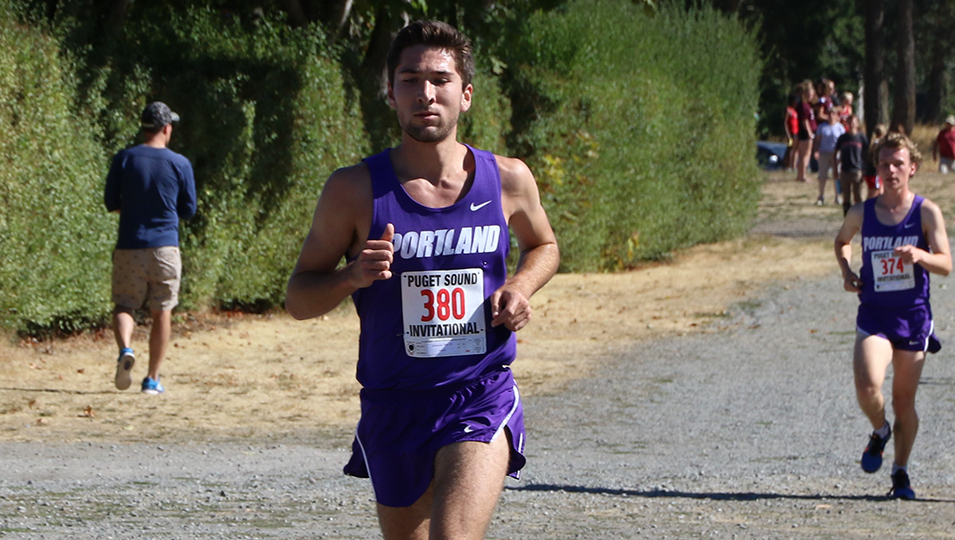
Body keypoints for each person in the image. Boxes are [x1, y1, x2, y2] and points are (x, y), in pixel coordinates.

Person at [285, 20, 559, 539]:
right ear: (391, 93)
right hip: (393, 402)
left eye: (440, 79)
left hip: (480, 393)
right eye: (410, 80)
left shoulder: (507, 178)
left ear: (466, 94)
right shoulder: (353, 190)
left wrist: (521, 287)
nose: (425, 93)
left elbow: (544, 245)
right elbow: (298, 298)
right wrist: (351, 276)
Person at [834, 132, 952, 500]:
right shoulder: (862, 211)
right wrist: (846, 270)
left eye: (898, 163)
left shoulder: (926, 211)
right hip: (874, 314)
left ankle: (900, 471)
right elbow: (842, 241)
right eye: (884, 163)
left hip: (913, 318)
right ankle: (880, 430)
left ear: (912, 168)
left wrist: (920, 256)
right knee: (868, 385)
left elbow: (946, 263)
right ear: (877, 169)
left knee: (905, 402)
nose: (890, 170)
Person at [104, 102, 197, 395]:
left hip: (130, 244)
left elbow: (110, 202)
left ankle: (126, 350)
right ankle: (152, 379)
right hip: (165, 247)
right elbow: (189, 209)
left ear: (144, 127)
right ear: (167, 128)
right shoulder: (179, 163)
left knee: (124, 304)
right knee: (163, 311)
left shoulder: (124, 159)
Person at [835, 116, 868, 215]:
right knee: (846, 196)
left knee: (858, 196)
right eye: (849, 122)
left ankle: (861, 217)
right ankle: (847, 217)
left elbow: (866, 155)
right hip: (845, 170)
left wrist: (864, 170)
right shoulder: (842, 138)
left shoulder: (861, 137)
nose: (851, 124)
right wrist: (836, 169)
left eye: (853, 122)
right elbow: (835, 153)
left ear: (857, 123)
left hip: (857, 170)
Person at [812, 111, 845, 205]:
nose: (831, 116)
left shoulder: (840, 127)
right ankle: (821, 196)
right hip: (824, 153)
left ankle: (837, 197)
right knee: (822, 176)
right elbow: (817, 140)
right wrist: (816, 151)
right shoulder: (822, 127)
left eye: (833, 114)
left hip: (836, 154)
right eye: (829, 114)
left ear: (836, 116)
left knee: (837, 176)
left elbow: (843, 141)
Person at [795, 83, 817, 183]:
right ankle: (802, 175)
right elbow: (805, 120)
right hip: (806, 132)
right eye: (808, 94)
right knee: (805, 154)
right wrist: (809, 133)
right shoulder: (804, 106)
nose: (811, 96)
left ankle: (800, 175)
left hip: (806, 132)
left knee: (803, 154)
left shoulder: (807, 105)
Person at [863, 124, 887, 200]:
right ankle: (867, 209)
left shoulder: (873, 144)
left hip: (871, 172)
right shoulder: (877, 145)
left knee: (880, 192)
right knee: (873, 193)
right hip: (874, 173)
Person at [784, 93, 800, 171]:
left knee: (795, 149)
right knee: (790, 149)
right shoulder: (788, 110)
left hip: (796, 132)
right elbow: (785, 123)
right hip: (791, 133)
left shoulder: (795, 111)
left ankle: (793, 165)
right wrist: (788, 134)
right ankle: (787, 165)